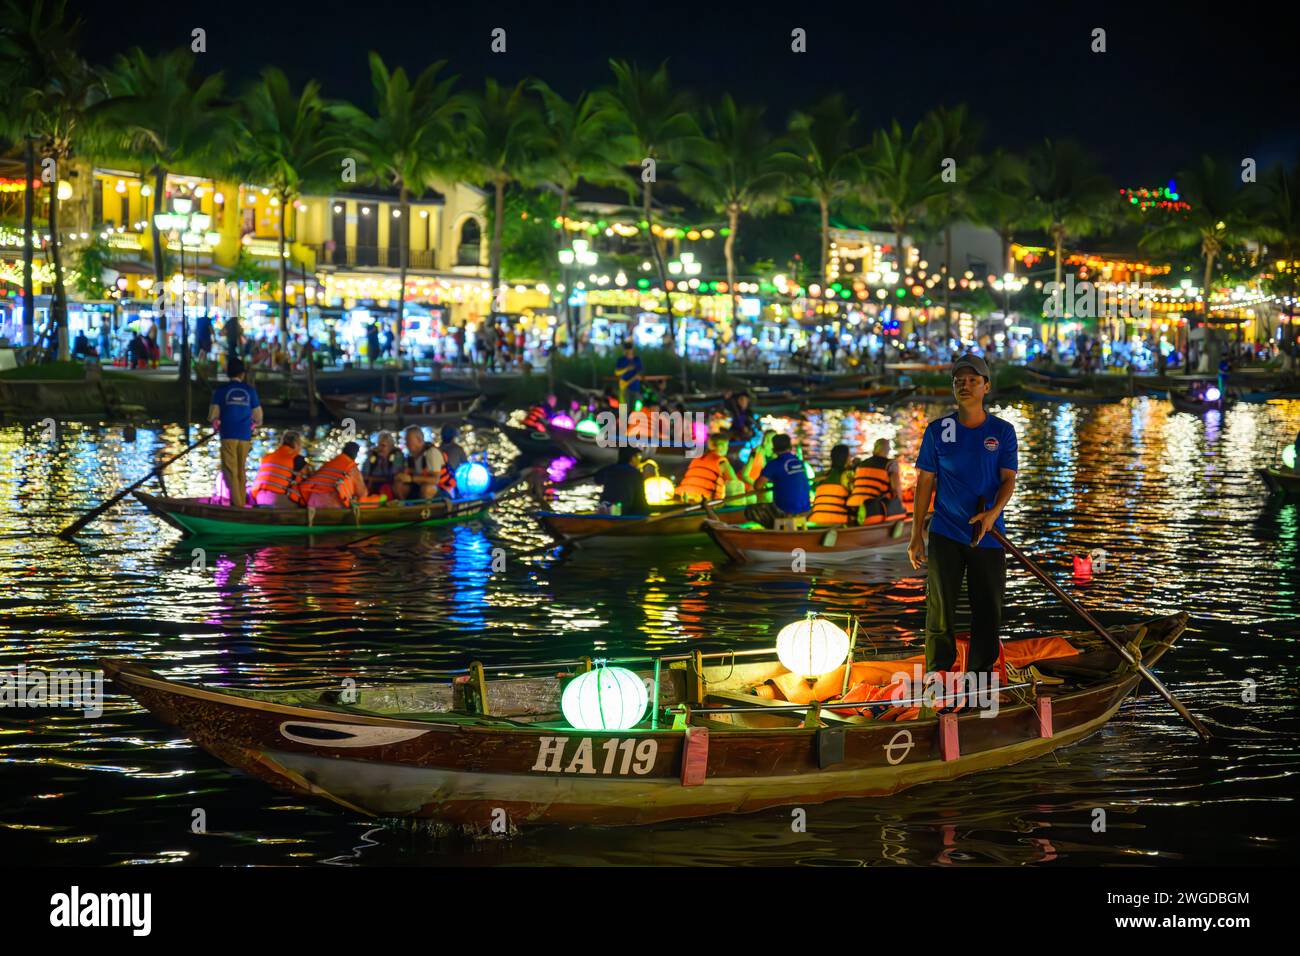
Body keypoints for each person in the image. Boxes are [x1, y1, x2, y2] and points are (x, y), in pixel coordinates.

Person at [908, 353, 1018, 688]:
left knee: (988, 609)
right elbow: (925, 482)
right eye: (959, 381)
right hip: (945, 531)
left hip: (988, 535)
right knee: (940, 609)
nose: (965, 386)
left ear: (986, 386)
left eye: (972, 380)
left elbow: (1008, 479)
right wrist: (916, 535)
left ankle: (980, 676)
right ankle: (938, 672)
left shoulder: (1002, 431)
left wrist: (993, 513)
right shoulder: (938, 431)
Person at [207, 357, 263, 508]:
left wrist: (216, 421)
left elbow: (213, 415)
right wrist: (251, 424)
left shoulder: (221, 391)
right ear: (243, 374)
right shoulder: (250, 391)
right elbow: (258, 418)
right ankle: (241, 501)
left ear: (228, 373)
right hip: (244, 436)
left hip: (228, 435)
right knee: (240, 470)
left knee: (230, 471)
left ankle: (238, 506)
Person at [296, 441, 372, 509]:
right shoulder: (351, 468)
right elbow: (362, 493)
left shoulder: (329, 463)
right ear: (355, 455)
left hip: (312, 502)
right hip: (333, 506)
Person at [754, 434, 811, 517]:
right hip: (806, 508)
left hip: (785, 510)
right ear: (790, 447)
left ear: (774, 449)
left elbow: (758, 486)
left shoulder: (773, 464)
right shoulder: (799, 462)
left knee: (753, 510)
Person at [848, 438, 904, 520]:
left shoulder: (861, 464)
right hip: (873, 508)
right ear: (886, 449)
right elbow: (897, 488)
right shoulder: (890, 464)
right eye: (888, 447)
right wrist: (900, 506)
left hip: (853, 505)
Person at [249, 430, 309, 508]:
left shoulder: (267, 457)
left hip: (259, 497)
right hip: (277, 499)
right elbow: (306, 482)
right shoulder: (298, 459)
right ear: (297, 444)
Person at [394, 425, 453, 500]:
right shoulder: (413, 456)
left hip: (442, 490)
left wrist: (411, 478)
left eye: (408, 440)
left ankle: (426, 511)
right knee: (399, 485)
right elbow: (421, 472)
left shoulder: (431, 453)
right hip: (420, 486)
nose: (406, 444)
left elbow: (435, 480)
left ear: (419, 440)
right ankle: (407, 509)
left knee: (427, 488)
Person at [677, 434, 741, 503]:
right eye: (726, 446)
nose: (727, 449)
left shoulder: (697, 459)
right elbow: (736, 484)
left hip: (683, 498)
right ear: (721, 446)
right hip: (706, 502)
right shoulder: (721, 462)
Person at [595, 445, 650, 515]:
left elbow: (597, 479)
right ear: (632, 458)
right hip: (626, 512)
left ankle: (607, 510)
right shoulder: (635, 473)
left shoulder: (609, 469)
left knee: (610, 505)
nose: (640, 459)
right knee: (639, 507)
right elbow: (641, 500)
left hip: (608, 507)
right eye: (639, 456)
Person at [809, 444, 853, 526]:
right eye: (850, 456)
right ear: (846, 458)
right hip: (839, 522)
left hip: (815, 520)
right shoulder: (847, 475)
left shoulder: (822, 477)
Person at [361, 430, 403, 497]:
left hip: (390, 486)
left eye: (383, 445)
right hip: (373, 485)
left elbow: (394, 476)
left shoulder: (397, 455)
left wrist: (371, 478)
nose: (379, 448)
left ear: (391, 446)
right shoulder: (373, 455)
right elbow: (364, 473)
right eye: (378, 445)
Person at [614, 340, 643, 406]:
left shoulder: (637, 359)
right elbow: (617, 372)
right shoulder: (621, 360)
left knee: (635, 410)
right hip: (624, 388)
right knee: (623, 410)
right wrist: (627, 369)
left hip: (635, 387)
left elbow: (640, 372)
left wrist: (630, 381)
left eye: (629, 349)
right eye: (626, 349)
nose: (628, 351)